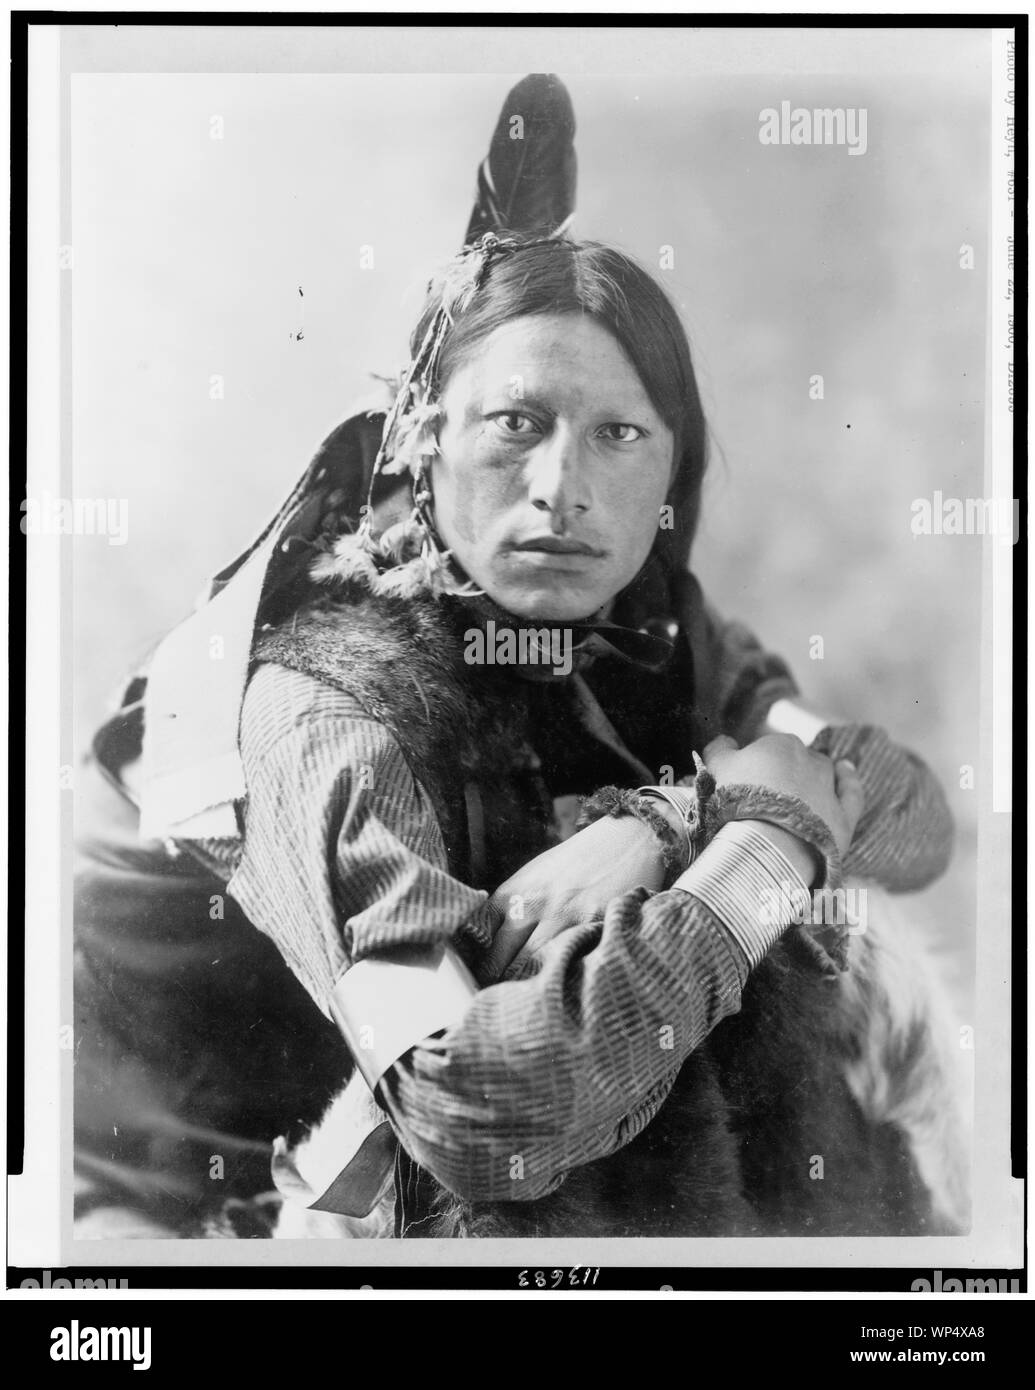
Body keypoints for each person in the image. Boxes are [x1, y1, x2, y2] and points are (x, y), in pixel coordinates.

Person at [74, 230, 967, 1241]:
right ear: (422, 432)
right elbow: (474, 1112)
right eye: (517, 422)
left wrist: (677, 820)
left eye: (619, 435)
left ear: (675, 469)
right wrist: (771, 841)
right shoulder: (325, 703)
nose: (562, 487)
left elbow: (908, 814)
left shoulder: (651, 623)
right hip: (216, 1225)